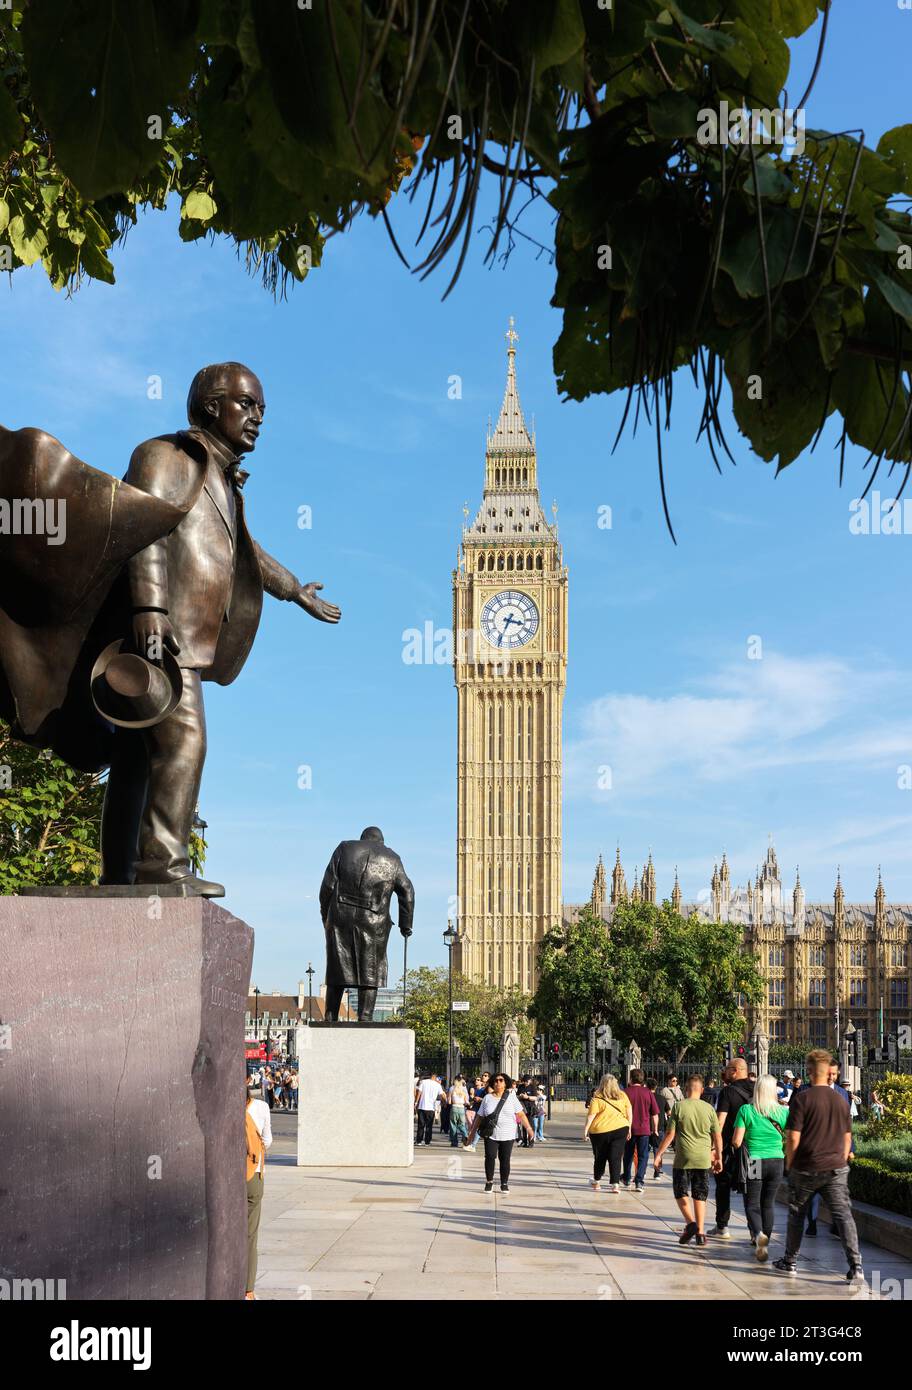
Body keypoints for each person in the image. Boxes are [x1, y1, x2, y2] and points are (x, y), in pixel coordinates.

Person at [773, 1049, 864, 1283]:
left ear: (811, 1072)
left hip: (806, 1166)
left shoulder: (802, 1098)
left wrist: (790, 1164)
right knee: (843, 1216)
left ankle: (790, 1261)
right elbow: (846, 1138)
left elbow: (793, 1137)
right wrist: (841, 1162)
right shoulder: (841, 1098)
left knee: (796, 1215)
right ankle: (856, 1266)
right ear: (828, 1073)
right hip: (835, 1167)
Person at [653, 1076, 722, 1248]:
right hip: (703, 1159)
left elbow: (670, 1135)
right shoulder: (709, 1109)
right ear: (702, 1090)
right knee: (700, 1195)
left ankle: (690, 1223)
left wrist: (659, 1154)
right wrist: (718, 1156)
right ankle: (700, 1233)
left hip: (683, 1158)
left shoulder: (678, 1106)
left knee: (681, 1192)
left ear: (686, 1089)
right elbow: (717, 1136)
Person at [731, 1074, 789, 1262]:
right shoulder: (783, 1112)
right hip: (777, 1162)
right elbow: (791, 1136)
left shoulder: (746, 1110)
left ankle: (758, 1236)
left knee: (752, 1203)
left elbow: (737, 1141)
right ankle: (767, 1239)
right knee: (768, 1203)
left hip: (755, 1161)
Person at [806, 1063, 854, 1237]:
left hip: (837, 1149)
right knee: (814, 1192)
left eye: (835, 1074)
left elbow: (848, 1124)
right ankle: (812, 1223)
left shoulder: (842, 1093)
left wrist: (851, 1148)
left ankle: (836, 1226)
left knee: (838, 1190)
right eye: (829, 1074)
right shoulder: (808, 1091)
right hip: (814, 1150)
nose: (832, 1077)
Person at [465, 1072, 534, 1193]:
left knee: (505, 1159)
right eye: (496, 1080)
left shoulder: (511, 1097)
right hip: (491, 1133)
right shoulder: (487, 1098)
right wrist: (471, 1134)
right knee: (490, 1157)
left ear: (505, 1082)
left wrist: (529, 1129)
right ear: (492, 1083)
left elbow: (521, 1114)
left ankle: (504, 1183)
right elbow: (479, 1117)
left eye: (501, 1080)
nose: (498, 1082)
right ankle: (489, 1181)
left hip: (508, 1134)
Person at [711, 1057, 754, 1238]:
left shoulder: (728, 1092)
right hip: (754, 1149)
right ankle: (755, 1231)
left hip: (730, 1148)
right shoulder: (758, 1090)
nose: (725, 1072)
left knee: (723, 1186)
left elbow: (719, 1123)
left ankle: (722, 1227)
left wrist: (714, 1149)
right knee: (752, 1190)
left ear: (735, 1070)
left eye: (727, 1069)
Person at [245, 1081, 273, 1300]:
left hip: (225, 1178)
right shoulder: (262, 1107)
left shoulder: (220, 1105)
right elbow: (268, 1140)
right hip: (253, 1175)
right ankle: (248, 1289)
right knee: (250, 1234)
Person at [583, 1074, 632, 1193]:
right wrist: (629, 1127)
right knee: (616, 1156)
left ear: (602, 1084)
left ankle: (597, 1181)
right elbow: (629, 1113)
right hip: (621, 1128)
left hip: (600, 1131)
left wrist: (585, 1131)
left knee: (600, 1156)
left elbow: (591, 1116)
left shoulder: (597, 1098)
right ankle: (615, 1184)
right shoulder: (623, 1096)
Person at [622, 1069, 659, 1192]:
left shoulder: (625, 1092)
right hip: (644, 1129)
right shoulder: (648, 1092)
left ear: (631, 1079)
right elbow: (654, 1114)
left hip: (629, 1129)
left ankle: (627, 1178)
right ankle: (639, 1181)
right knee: (643, 1156)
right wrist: (655, 1129)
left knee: (628, 1155)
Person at [414, 1073, 445, 1145]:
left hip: (422, 1106)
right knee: (429, 1126)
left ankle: (419, 1141)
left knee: (421, 1125)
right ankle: (427, 1141)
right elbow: (442, 1094)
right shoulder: (438, 1085)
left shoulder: (423, 1082)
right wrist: (445, 1102)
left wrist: (416, 1102)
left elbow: (419, 1092)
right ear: (435, 1077)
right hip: (431, 1108)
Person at [468, 1073, 490, 1151]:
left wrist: (480, 1099)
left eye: (485, 1076)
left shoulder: (489, 1087)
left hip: (488, 1111)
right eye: (483, 1075)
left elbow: (491, 1099)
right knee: (477, 1127)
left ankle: (472, 1145)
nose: (483, 1076)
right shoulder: (484, 1088)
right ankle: (472, 1145)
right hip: (481, 1110)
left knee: (480, 1128)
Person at [449, 1075, 470, 1147]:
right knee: (462, 1125)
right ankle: (465, 1135)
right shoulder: (464, 1089)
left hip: (454, 1107)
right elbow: (467, 1101)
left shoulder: (452, 1088)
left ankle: (454, 1142)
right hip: (461, 1108)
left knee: (453, 1125)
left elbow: (448, 1101)